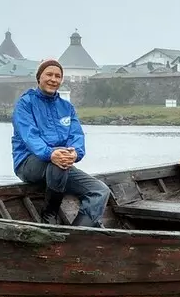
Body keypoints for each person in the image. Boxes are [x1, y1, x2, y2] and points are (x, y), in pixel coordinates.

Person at [10, 59, 111, 227]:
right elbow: (30, 137)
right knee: (57, 163)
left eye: (58, 76)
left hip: (60, 164)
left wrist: (75, 153)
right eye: (48, 74)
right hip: (28, 163)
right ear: (39, 77)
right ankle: (50, 212)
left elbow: (76, 135)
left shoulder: (67, 107)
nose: (53, 79)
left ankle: (78, 231)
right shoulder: (25, 104)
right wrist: (51, 153)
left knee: (100, 191)